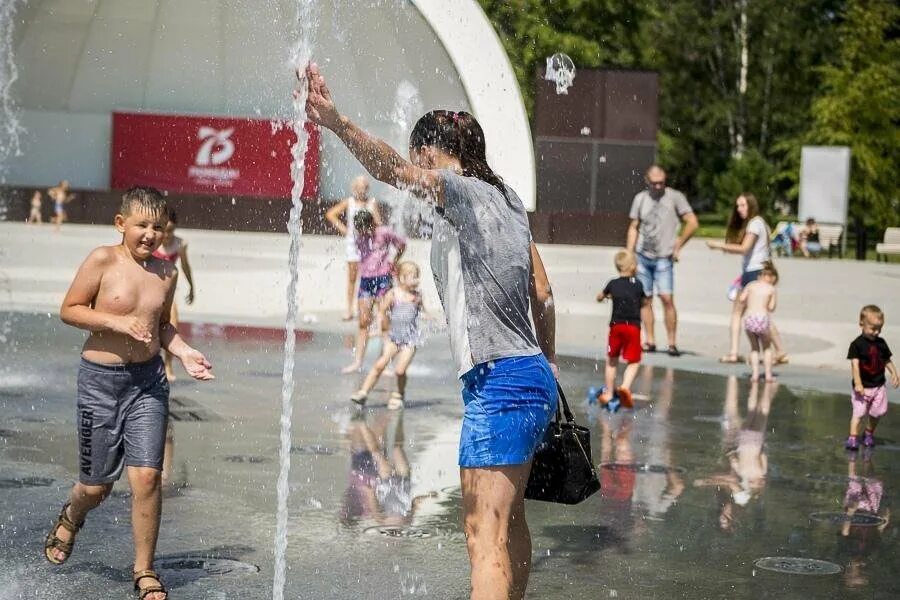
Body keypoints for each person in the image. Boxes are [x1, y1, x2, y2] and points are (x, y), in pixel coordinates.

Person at [303, 63, 558, 600]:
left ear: (436, 154)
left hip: (499, 382)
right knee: (510, 527)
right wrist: (550, 368)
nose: (418, 165)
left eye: (422, 155)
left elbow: (393, 171)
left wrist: (337, 124)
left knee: (481, 540)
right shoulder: (509, 200)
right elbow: (544, 291)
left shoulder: (461, 190)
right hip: (531, 375)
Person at [42, 187, 213, 600]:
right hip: (100, 384)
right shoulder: (103, 260)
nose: (150, 234)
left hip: (148, 384)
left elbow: (162, 328)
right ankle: (72, 514)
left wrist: (185, 352)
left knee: (148, 478)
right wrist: (117, 324)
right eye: (142, 225)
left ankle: (144, 570)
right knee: (95, 488)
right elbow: (70, 309)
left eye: (158, 227)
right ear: (122, 224)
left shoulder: (166, 273)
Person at [707, 193, 788, 365]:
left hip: (753, 272)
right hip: (761, 270)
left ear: (751, 205)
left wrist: (718, 246)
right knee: (762, 314)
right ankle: (780, 351)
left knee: (737, 313)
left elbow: (744, 248)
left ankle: (734, 352)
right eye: (738, 206)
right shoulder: (762, 223)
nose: (739, 209)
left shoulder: (754, 224)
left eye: (743, 205)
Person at [626, 165, 698, 357]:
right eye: (655, 183)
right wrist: (629, 253)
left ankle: (672, 343)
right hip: (643, 256)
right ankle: (650, 341)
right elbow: (634, 226)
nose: (659, 186)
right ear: (647, 181)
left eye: (662, 182)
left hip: (664, 257)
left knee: (667, 298)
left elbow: (692, 222)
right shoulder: (640, 199)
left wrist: (679, 244)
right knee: (645, 299)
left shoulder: (675, 197)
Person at [351, 261, 425, 409]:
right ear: (402, 278)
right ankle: (363, 393)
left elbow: (423, 313)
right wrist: (379, 329)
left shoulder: (417, 297)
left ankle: (399, 394)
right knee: (379, 365)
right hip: (393, 338)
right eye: (413, 277)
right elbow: (381, 312)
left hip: (410, 341)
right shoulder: (393, 294)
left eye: (418, 276)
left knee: (399, 370)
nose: (417, 280)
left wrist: (431, 319)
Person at [342, 209, 406, 374]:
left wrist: (394, 260)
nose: (363, 232)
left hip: (383, 279)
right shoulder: (358, 235)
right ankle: (358, 362)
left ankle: (386, 363)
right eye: (360, 229)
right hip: (365, 280)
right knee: (363, 322)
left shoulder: (383, 232)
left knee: (384, 322)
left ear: (371, 223)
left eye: (365, 228)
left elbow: (402, 244)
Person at [594, 249, 648, 409]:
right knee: (634, 361)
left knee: (611, 361)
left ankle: (610, 393)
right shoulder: (638, 284)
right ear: (632, 267)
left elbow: (599, 297)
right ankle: (625, 386)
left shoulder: (613, 283)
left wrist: (604, 297)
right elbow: (644, 303)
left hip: (616, 327)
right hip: (633, 328)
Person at [325, 175, 382, 321]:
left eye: (363, 187)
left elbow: (378, 222)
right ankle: (349, 308)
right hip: (353, 243)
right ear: (354, 188)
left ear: (367, 189)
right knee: (352, 277)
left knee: (370, 275)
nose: (361, 190)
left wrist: (372, 230)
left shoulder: (372, 202)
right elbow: (331, 214)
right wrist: (344, 229)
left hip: (368, 244)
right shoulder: (349, 202)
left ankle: (369, 307)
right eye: (358, 187)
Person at [845, 305, 899, 451]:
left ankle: (868, 433)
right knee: (859, 413)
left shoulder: (881, 343)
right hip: (861, 387)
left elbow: (886, 360)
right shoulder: (856, 345)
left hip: (878, 386)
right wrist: (858, 383)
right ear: (861, 324)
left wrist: (894, 372)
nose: (876, 332)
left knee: (878, 412)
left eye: (879, 328)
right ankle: (853, 438)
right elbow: (855, 365)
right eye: (873, 328)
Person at [152, 208, 196, 382]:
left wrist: (192, 287)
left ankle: (168, 365)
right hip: (150, 290)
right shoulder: (153, 241)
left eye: (171, 230)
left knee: (172, 327)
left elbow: (185, 266)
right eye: (164, 229)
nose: (167, 234)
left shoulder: (180, 244)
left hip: (168, 293)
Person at [738, 261, 778, 382]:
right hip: (762, 320)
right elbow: (771, 308)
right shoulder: (771, 289)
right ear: (771, 277)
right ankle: (768, 375)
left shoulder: (750, 285)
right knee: (766, 348)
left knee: (754, 348)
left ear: (759, 276)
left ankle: (755, 375)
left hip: (750, 319)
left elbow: (741, 299)